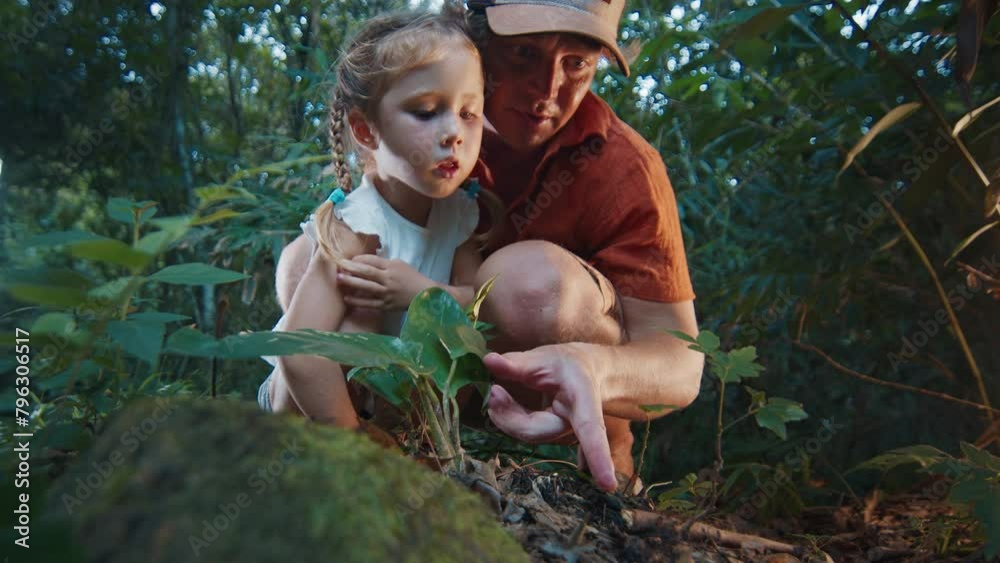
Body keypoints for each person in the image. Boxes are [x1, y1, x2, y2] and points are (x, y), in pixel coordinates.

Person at [276, 0, 706, 494]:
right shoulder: (435, 133)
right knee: (303, 263)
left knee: (527, 284)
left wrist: (594, 364)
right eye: (524, 52)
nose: (547, 91)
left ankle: (600, 460)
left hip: (553, 381)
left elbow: (681, 361)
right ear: (477, 39)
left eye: (577, 63)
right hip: (447, 378)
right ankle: (375, 444)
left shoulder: (624, 169)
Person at [257, 9, 505, 430]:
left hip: (389, 400)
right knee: (361, 312)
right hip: (300, 405)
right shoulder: (358, 227)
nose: (454, 133)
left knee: (460, 341)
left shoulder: (461, 212)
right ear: (366, 130)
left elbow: (479, 304)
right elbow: (299, 352)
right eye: (427, 111)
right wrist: (357, 450)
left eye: (469, 113)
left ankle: (406, 446)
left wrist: (421, 292)